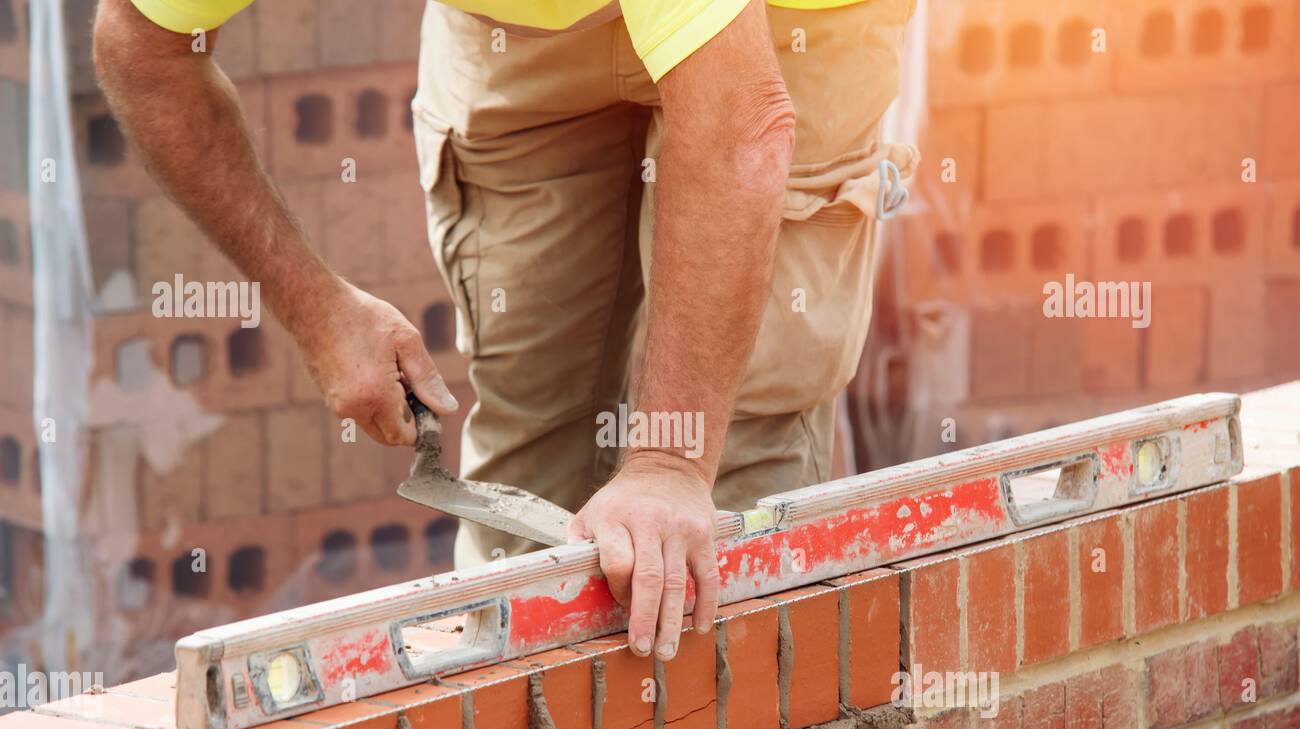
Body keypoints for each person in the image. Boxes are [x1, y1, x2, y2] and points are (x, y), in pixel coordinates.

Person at [93, 0, 916, 663]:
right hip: (515, 28)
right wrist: (317, 310)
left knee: (725, 479)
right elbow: (142, 44)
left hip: (799, 23)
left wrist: (670, 463)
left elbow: (739, 126)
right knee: (532, 459)